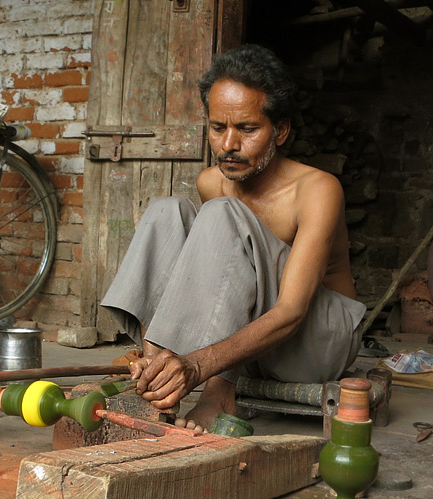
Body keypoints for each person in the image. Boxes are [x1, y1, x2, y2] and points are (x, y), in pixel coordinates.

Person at [101, 44, 366, 433]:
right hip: (256, 345)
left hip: (317, 342)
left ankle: (219, 396)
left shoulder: (317, 189)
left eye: (247, 129)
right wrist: (171, 361)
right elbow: (225, 284)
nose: (228, 145)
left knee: (225, 213)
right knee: (167, 210)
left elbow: (291, 311)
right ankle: (155, 376)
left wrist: (199, 368)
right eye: (217, 128)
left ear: (282, 130)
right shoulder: (212, 182)